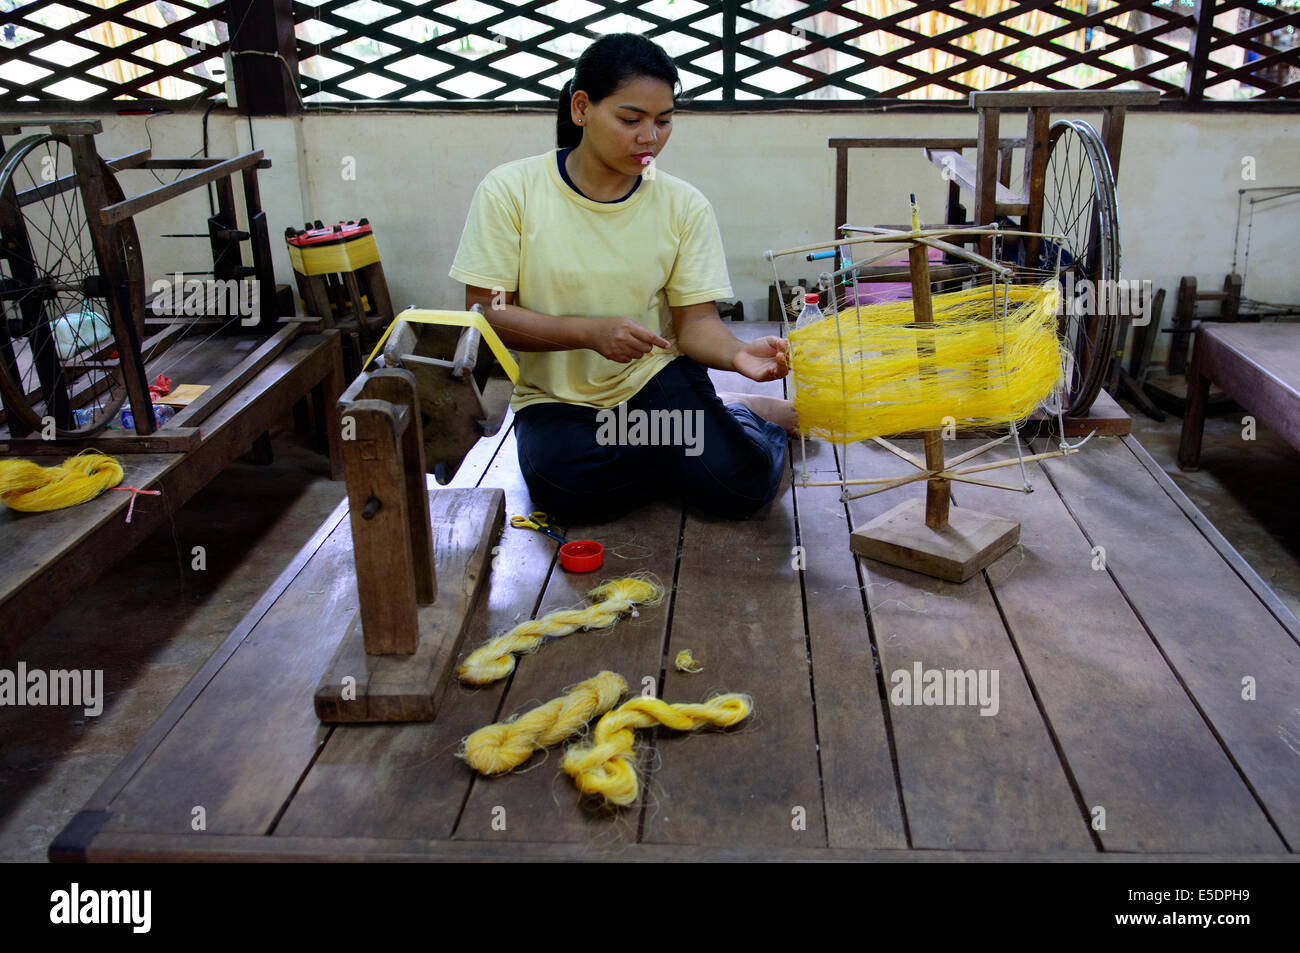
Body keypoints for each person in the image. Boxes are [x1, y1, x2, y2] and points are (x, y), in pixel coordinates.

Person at [448, 32, 796, 524]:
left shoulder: (683, 205)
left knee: (737, 488)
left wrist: (736, 354)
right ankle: (711, 431)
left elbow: (695, 323)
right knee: (565, 489)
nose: (649, 137)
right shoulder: (512, 191)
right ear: (582, 108)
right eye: (631, 120)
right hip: (557, 399)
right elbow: (490, 310)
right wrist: (588, 334)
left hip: (650, 379)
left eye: (664, 121)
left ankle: (737, 425)